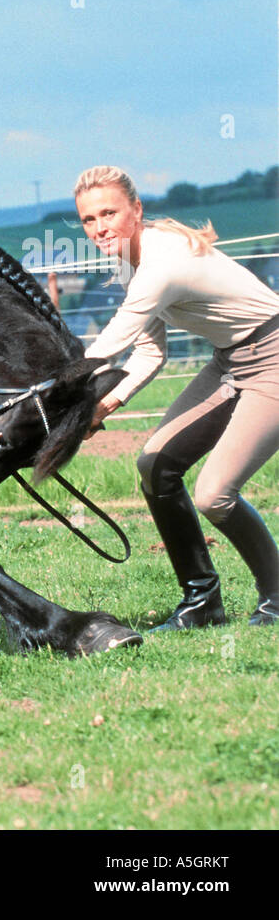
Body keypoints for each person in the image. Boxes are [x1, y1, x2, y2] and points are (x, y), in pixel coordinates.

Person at [76, 165, 279, 629]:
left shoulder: (160, 265)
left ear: (136, 210)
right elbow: (149, 352)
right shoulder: (132, 263)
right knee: (156, 466)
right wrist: (102, 406)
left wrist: (57, 392)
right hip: (230, 361)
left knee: (214, 494)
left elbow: (110, 345)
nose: (100, 227)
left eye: (110, 213)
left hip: (274, 358)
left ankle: (278, 596)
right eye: (89, 220)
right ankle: (202, 602)